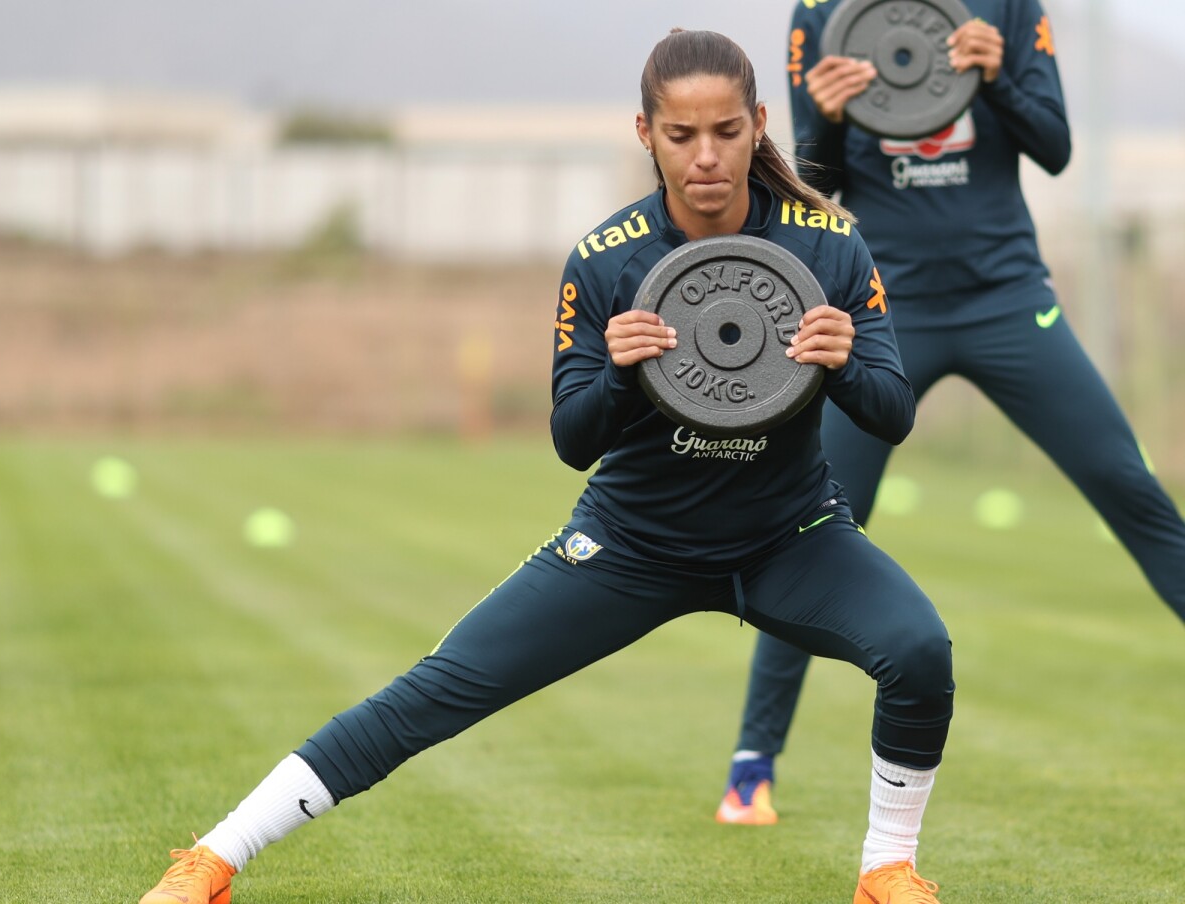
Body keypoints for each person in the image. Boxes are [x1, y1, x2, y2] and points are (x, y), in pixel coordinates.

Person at [140, 29, 954, 904]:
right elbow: (574, 438)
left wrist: (846, 362)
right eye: (682, 136)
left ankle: (886, 872)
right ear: (645, 133)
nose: (707, 156)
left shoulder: (830, 249)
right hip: (631, 545)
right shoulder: (607, 261)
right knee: (433, 692)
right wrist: (621, 376)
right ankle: (214, 862)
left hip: (788, 538)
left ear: (759, 124)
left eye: (726, 130)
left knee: (918, 649)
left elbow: (892, 413)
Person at [716, 0, 1185, 827]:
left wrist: (997, 71)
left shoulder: (1006, 3)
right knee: (812, 528)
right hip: (885, 312)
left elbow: (1056, 147)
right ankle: (753, 767)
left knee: (1129, 485)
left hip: (1009, 301)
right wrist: (824, 111)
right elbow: (811, 189)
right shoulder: (821, 14)